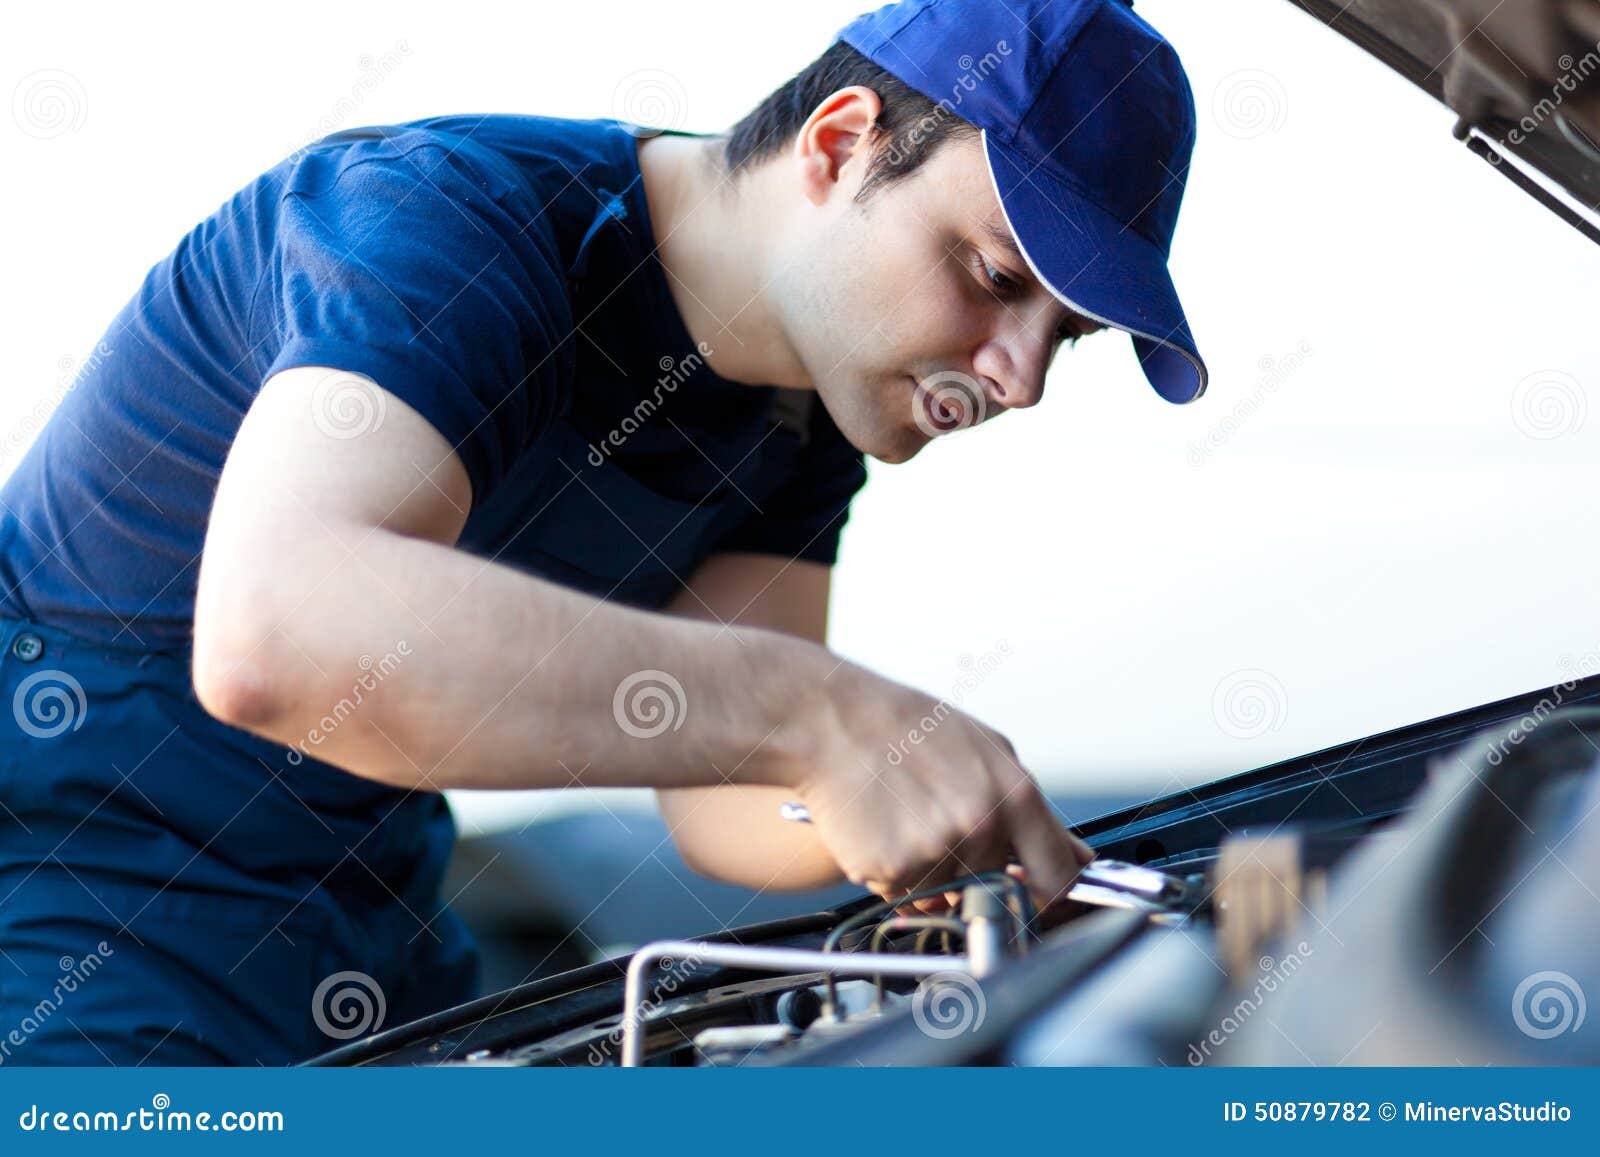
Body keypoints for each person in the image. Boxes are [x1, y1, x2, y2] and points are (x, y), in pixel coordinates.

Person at [0, 0, 1205, 1064]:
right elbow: (280, 636)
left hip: (365, 937)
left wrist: (928, 796)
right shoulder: (443, 227)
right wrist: (824, 714)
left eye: (1068, 334)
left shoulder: (806, 410)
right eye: (998, 277)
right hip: (66, 910)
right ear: (839, 146)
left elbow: (724, 808)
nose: (1023, 378)